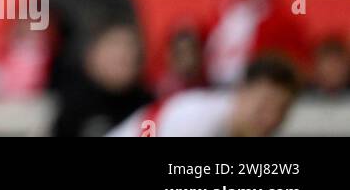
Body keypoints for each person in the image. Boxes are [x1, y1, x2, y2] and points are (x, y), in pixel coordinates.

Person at [107, 56, 301, 137]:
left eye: (281, 110)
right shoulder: (197, 119)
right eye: (263, 105)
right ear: (242, 91)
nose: (271, 118)